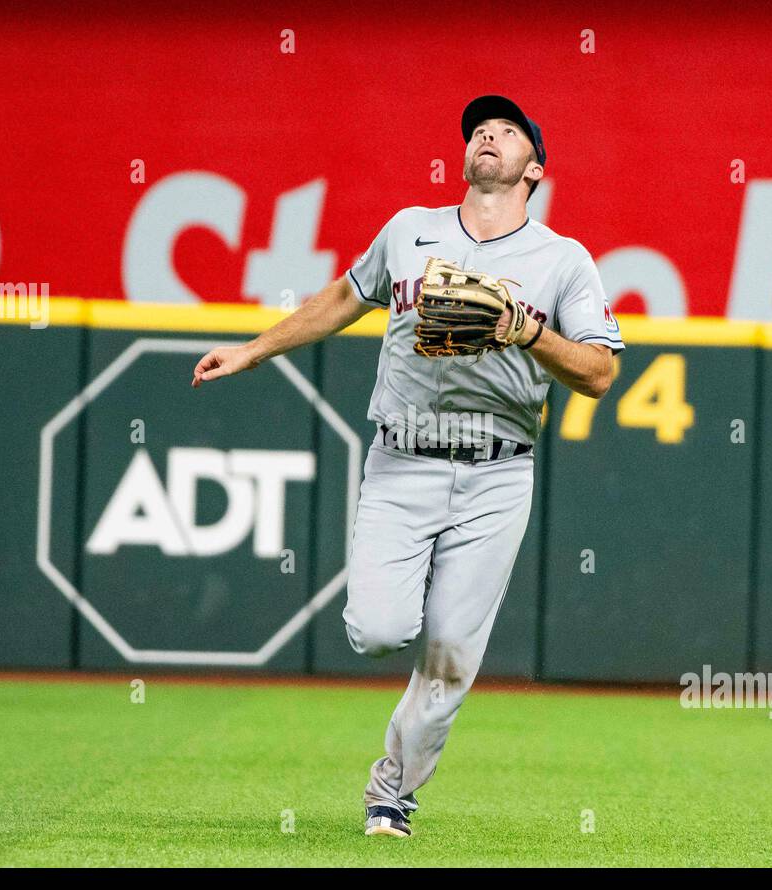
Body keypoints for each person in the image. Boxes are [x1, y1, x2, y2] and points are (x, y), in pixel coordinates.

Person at [192, 94, 624, 837]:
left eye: (507, 131)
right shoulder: (408, 231)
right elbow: (341, 298)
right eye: (478, 130)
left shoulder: (562, 260)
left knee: (452, 654)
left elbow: (598, 372)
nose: (487, 135)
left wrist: (528, 330)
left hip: (496, 471)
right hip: (403, 459)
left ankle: (392, 790)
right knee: (378, 629)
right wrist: (254, 347)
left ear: (535, 169)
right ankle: (411, 625)